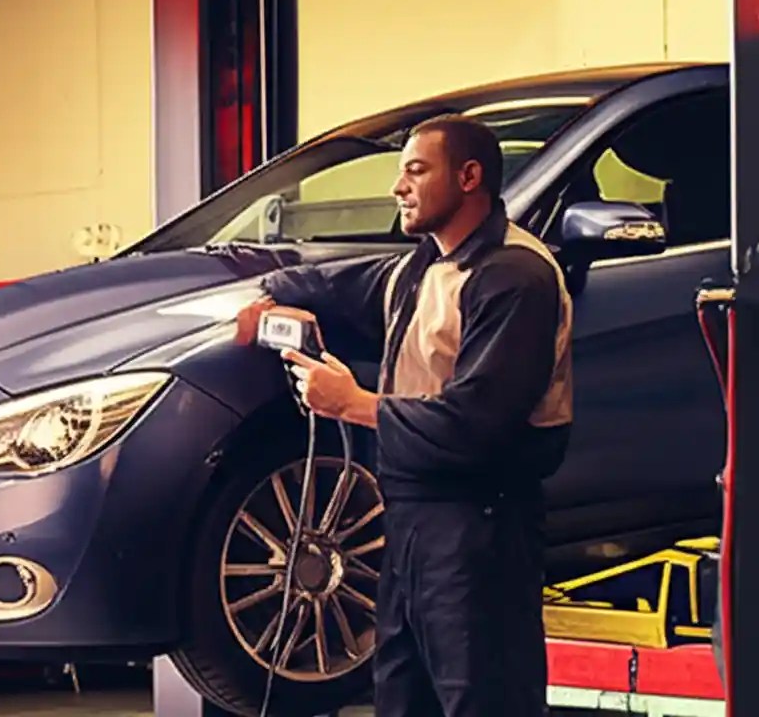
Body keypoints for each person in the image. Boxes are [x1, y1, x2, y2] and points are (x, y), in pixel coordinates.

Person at [235, 114, 573, 716]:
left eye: (416, 170)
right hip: (411, 519)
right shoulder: (422, 266)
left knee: (484, 698)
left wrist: (352, 404)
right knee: (401, 695)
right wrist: (271, 298)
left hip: (481, 525)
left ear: (469, 177)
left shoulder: (514, 277)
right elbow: (338, 288)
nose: (399, 187)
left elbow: (477, 427)